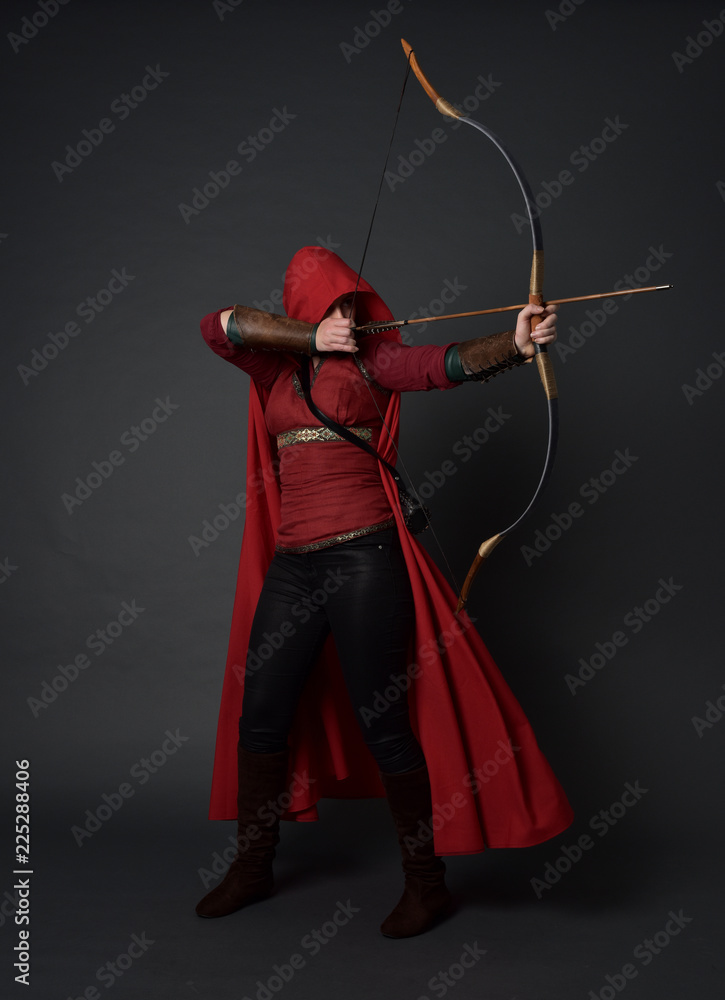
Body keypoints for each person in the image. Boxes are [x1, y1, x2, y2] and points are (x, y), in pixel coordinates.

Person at [196, 246, 572, 938]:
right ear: (302, 311)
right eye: (327, 307)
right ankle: (252, 867)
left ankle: (426, 886)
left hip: (365, 559)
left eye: (348, 305)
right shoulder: (275, 366)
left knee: (384, 722)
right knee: (262, 715)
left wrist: (514, 342)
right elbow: (218, 327)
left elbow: (442, 364)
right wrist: (307, 340)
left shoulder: (375, 362)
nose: (344, 315)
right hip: (293, 565)